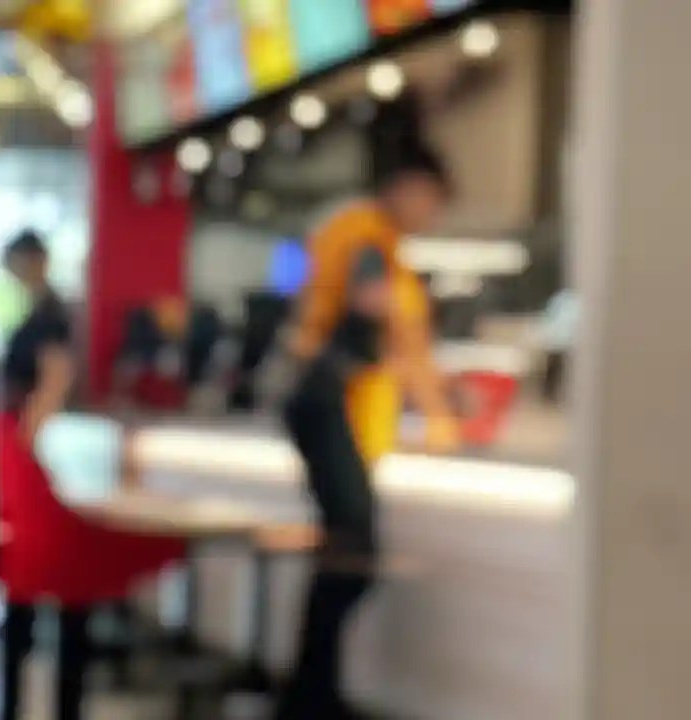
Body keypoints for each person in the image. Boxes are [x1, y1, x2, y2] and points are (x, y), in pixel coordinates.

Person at [277, 144, 459, 719]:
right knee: (354, 552)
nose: (431, 215)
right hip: (329, 402)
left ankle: (312, 691)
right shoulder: (370, 240)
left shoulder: (348, 229)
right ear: (408, 186)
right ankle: (310, 697)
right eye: (431, 202)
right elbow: (382, 320)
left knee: (345, 551)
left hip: (322, 401)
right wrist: (437, 411)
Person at [0, 230, 181, 720]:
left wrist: (28, 440)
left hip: (35, 459)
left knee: (51, 581)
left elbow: (55, 377)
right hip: (26, 454)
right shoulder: (41, 311)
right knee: (35, 586)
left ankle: (44, 704)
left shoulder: (51, 315)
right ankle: (22, 702)